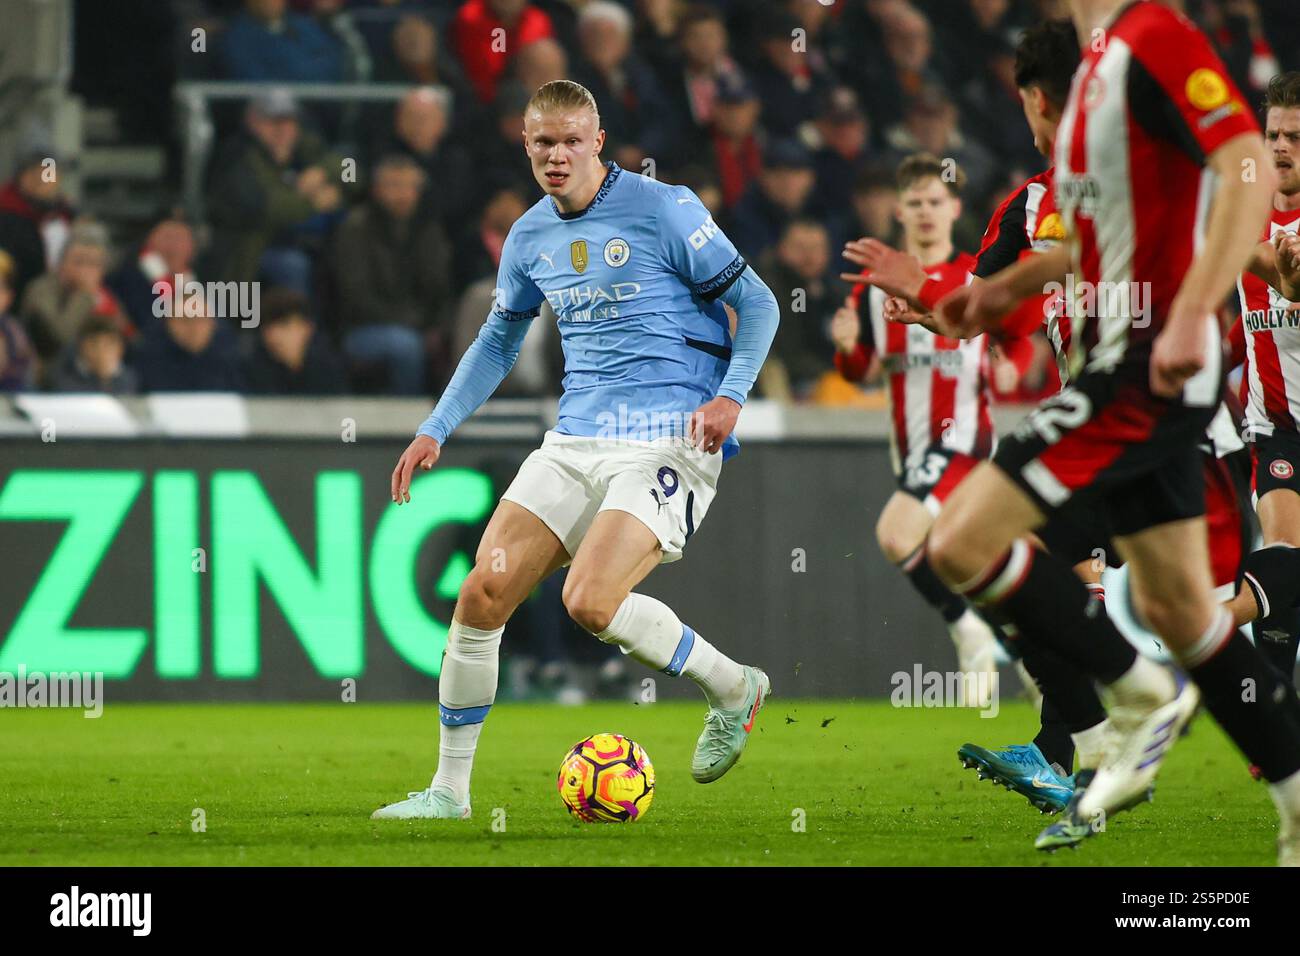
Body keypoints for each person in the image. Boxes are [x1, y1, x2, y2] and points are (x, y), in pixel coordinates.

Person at [924, 0, 1300, 863]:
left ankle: (1132, 702)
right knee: (1183, 614)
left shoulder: (1152, 35)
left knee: (956, 541)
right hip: (1125, 368)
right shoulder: (1098, 72)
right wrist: (994, 293)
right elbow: (1101, 240)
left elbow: (1242, 161)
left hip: (1139, 373)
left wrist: (1195, 308)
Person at [373, 79, 780, 820]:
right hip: (574, 438)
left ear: (598, 141)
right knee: (480, 596)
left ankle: (732, 686)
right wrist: (435, 427)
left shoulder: (665, 207)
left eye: (570, 141)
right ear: (525, 146)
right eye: (542, 143)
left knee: (590, 602)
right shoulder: (529, 236)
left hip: (670, 435)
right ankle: (448, 793)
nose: (556, 156)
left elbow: (758, 302)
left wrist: (732, 396)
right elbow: (498, 340)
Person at [831, 152, 1005, 694]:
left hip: (963, 440)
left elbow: (1014, 344)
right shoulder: (871, 288)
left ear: (954, 208)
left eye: (935, 201)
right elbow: (862, 370)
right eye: (914, 203)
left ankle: (969, 631)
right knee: (975, 566)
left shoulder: (975, 276)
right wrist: (844, 351)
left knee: (896, 533)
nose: (925, 212)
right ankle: (1034, 663)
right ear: (898, 211)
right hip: (911, 450)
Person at [331, 153, 452, 395]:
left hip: (418, 325)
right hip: (361, 328)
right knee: (405, 345)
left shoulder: (428, 230)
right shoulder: (356, 229)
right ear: (377, 190)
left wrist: (438, 325)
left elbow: (440, 288)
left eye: (410, 187)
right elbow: (356, 296)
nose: (403, 194)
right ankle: (409, 424)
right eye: (394, 186)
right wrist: (412, 323)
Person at [241, 288, 346, 395]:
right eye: (267, 328)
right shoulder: (249, 369)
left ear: (307, 328)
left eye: (284, 326)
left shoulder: (327, 369)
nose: (274, 335)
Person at [49, 316, 138, 395]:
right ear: (82, 346)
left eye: (109, 344)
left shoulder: (127, 377)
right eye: (94, 344)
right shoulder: (63, 374)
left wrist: (106, 380)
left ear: (120, 348)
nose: (102, 351)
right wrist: (102, 379)